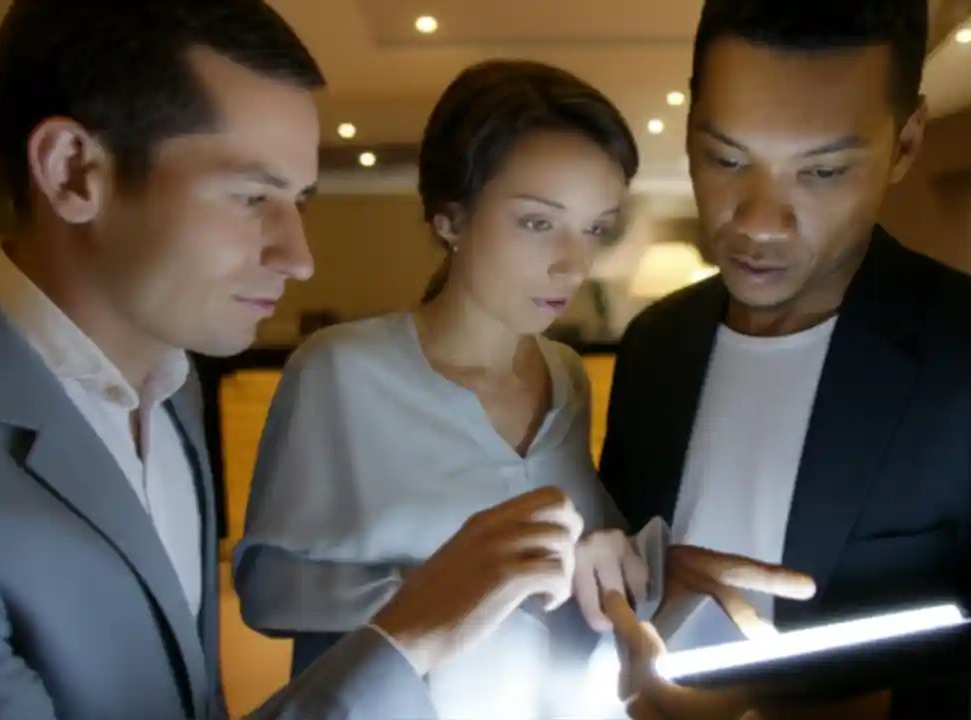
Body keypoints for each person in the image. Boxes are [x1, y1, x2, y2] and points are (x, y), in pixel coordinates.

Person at [0, 2, 588, 718]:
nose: (298, 257)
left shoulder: (172, 385)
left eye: (297, 201)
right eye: (251, 197)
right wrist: (411, 632)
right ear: (74, 171)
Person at [597, 0, 971, 718]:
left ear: (905, 144)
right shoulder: (657, 344)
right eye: (726, 158)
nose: (758, 222)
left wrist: (810, 716)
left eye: (822, 171)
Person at [233, 58, 659, 720]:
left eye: (595, 228)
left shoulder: (567, 377)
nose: (574, 265)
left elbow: (575, 559)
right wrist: (454, 588)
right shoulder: (341, 370)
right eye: (537, 223)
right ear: (451, 219)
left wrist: (602, 554)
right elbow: (268, 589)